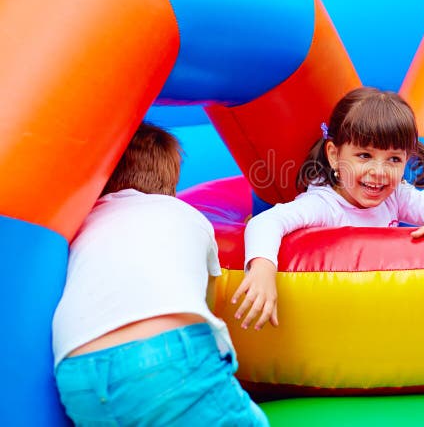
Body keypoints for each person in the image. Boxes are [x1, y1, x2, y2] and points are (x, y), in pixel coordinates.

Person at [51, 122, 268, 426]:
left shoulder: (80, 224)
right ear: (171, 184)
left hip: (77, 376)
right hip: (165, 360)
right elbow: (209, 300)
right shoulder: (187, 215)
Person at [233, 87, 424, 331]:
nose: (379, 171)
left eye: (394, 159)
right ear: (334, 156)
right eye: (364, 155)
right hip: (335, 316)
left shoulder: (396, 195)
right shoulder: (325, 204)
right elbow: (266, 222)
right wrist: (262, 269)